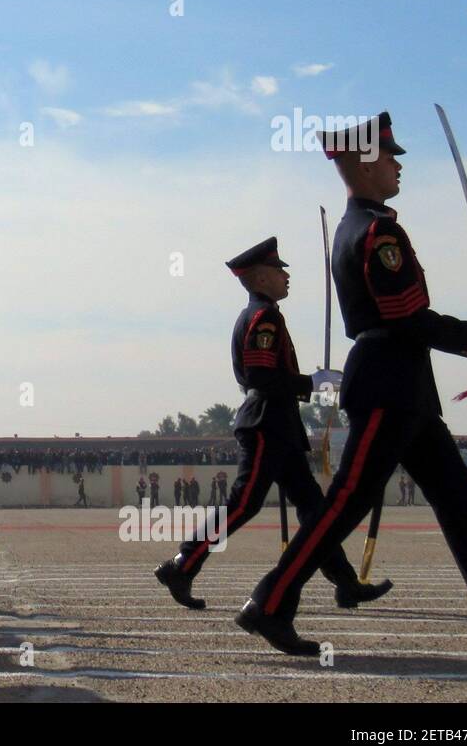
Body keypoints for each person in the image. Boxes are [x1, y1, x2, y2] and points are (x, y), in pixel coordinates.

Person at [238, 112, 467, 655]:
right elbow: (406, 318)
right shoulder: (377, 232)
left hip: (408, 388)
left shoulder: (368, 227)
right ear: (365, 161)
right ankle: (271, 600)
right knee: (347, 500)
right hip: (388, 386)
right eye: (390, 156)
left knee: (459, 501)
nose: (397, 165)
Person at [155, 237, 392, 612]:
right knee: (244, 503)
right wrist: (312, 383)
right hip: (266, 422)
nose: (285, 277)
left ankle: (346, 583)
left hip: (278, 424)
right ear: (261, 278)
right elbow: (261, 378)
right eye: (279, 271)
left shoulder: (260, 315)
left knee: (315, 510)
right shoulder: (264, 317)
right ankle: (182, 564)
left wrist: (311, 383)